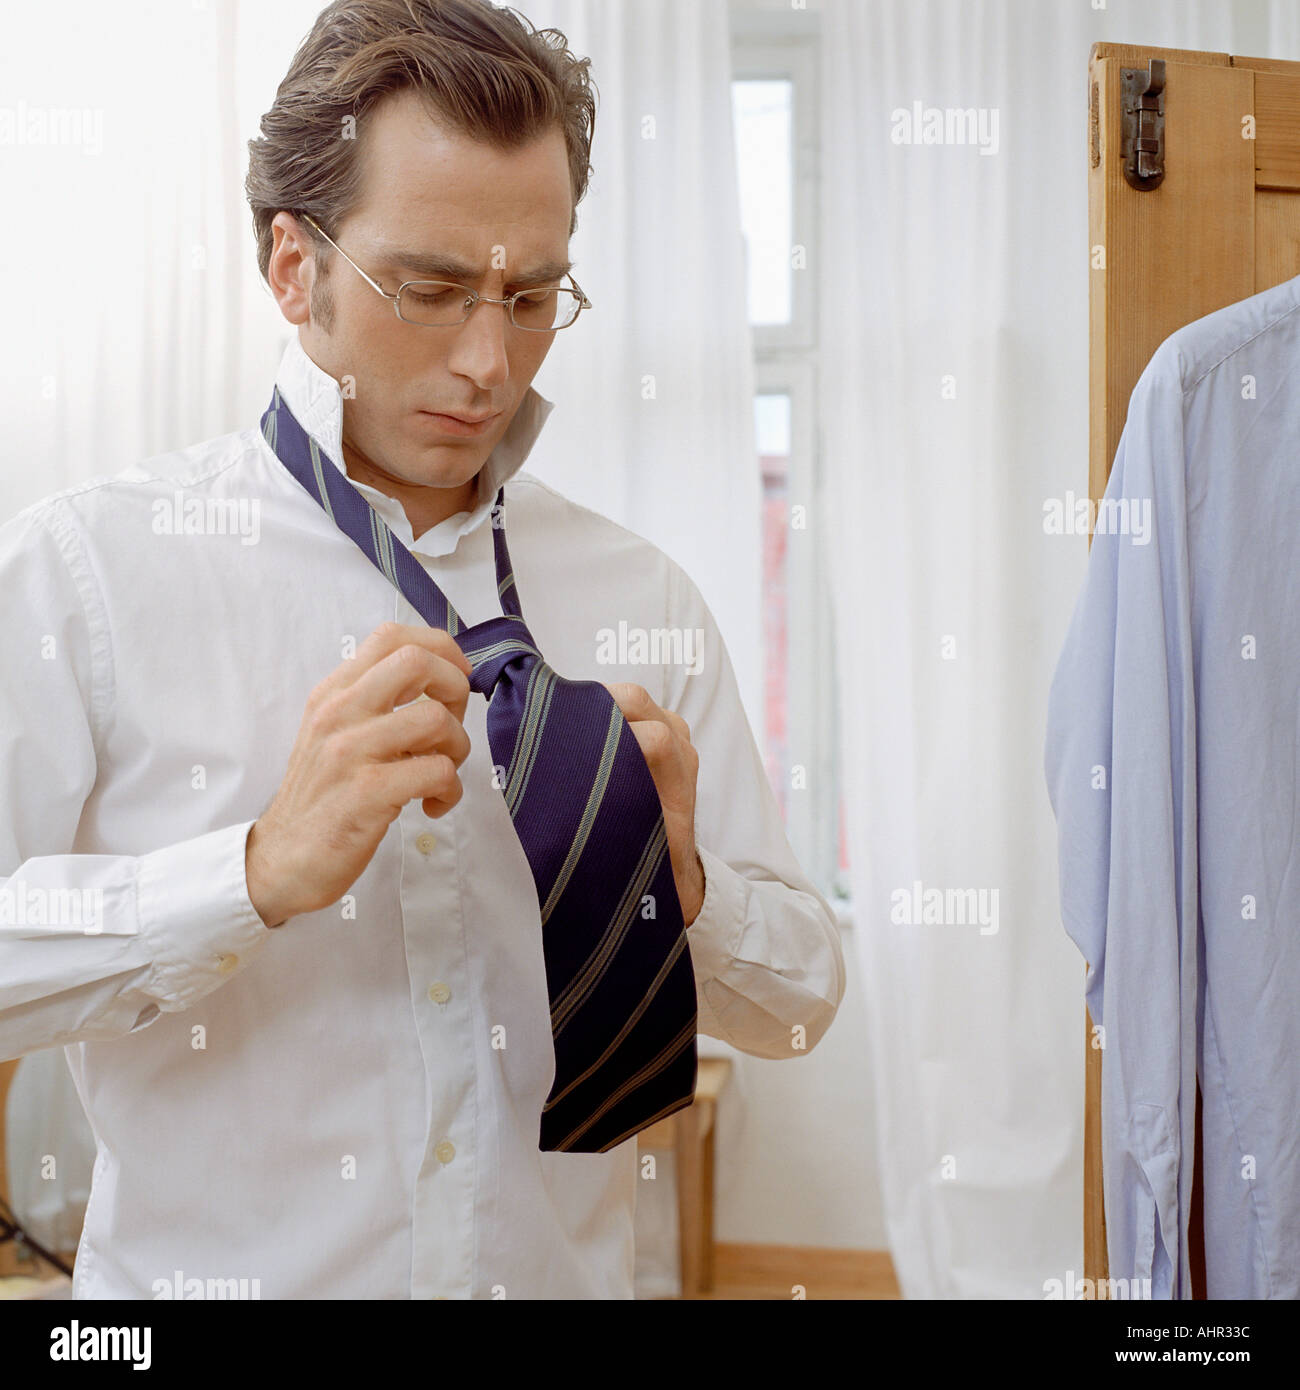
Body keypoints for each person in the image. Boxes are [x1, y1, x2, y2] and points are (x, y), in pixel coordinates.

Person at [0, 0, 844, 1298]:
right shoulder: (88, 575)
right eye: (433, 288)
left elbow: (797, 1006)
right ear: (295, 265)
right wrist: (253, 870)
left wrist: (686, 889)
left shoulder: (640, 596)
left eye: (532, 295)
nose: (487, 361)